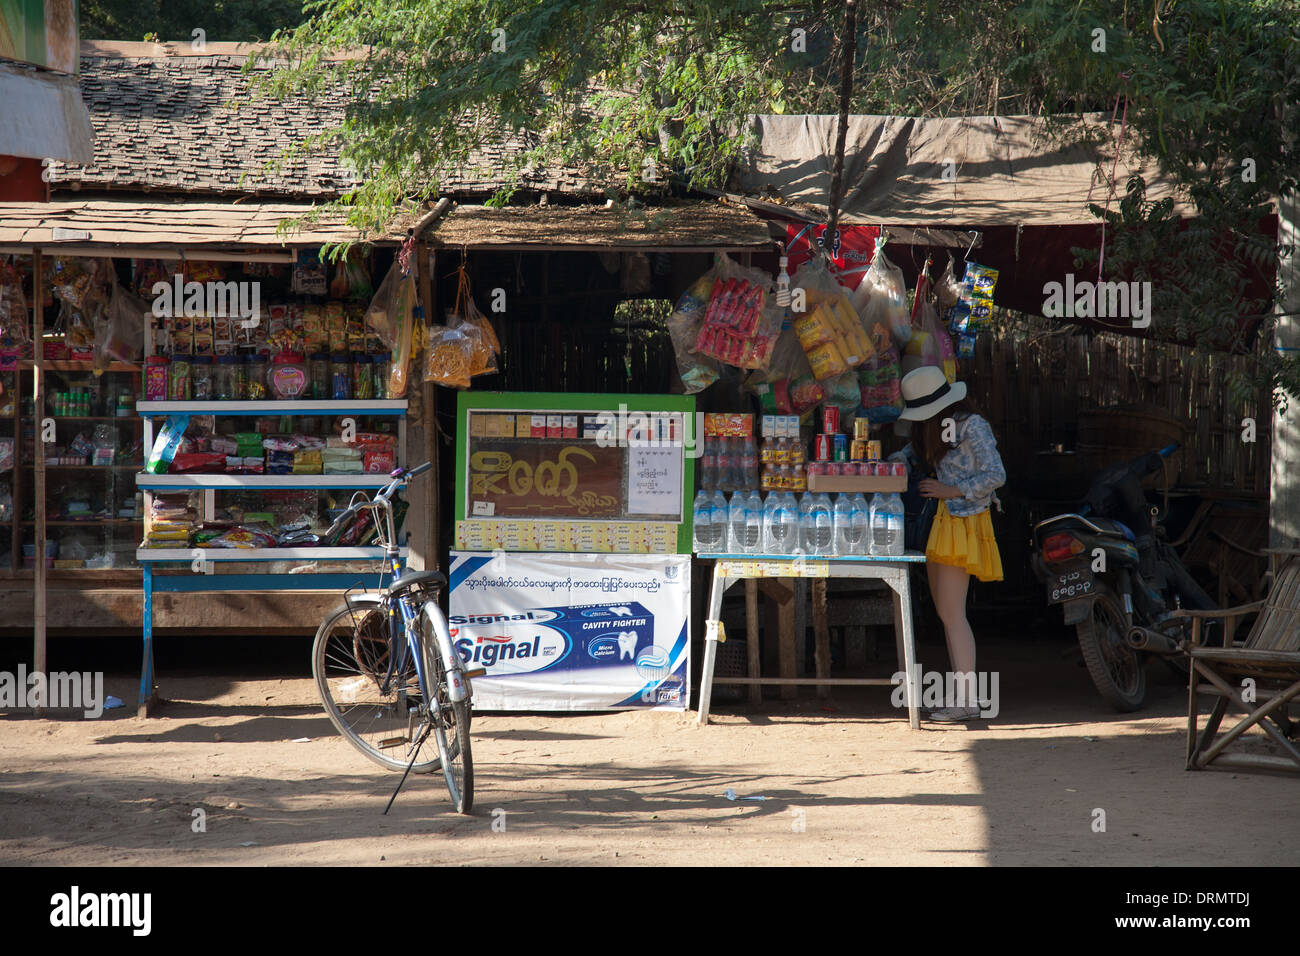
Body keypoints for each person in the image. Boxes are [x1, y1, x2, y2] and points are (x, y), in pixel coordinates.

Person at [892, 366, 1005, 722]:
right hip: (942, 522)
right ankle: (963, 697)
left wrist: (950, 490)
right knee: (946, 613)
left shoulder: (973, 426)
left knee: (953, 614)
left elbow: (996, 475)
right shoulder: (933, 428)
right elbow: (907, 455)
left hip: (963, 521)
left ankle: (968, 701)